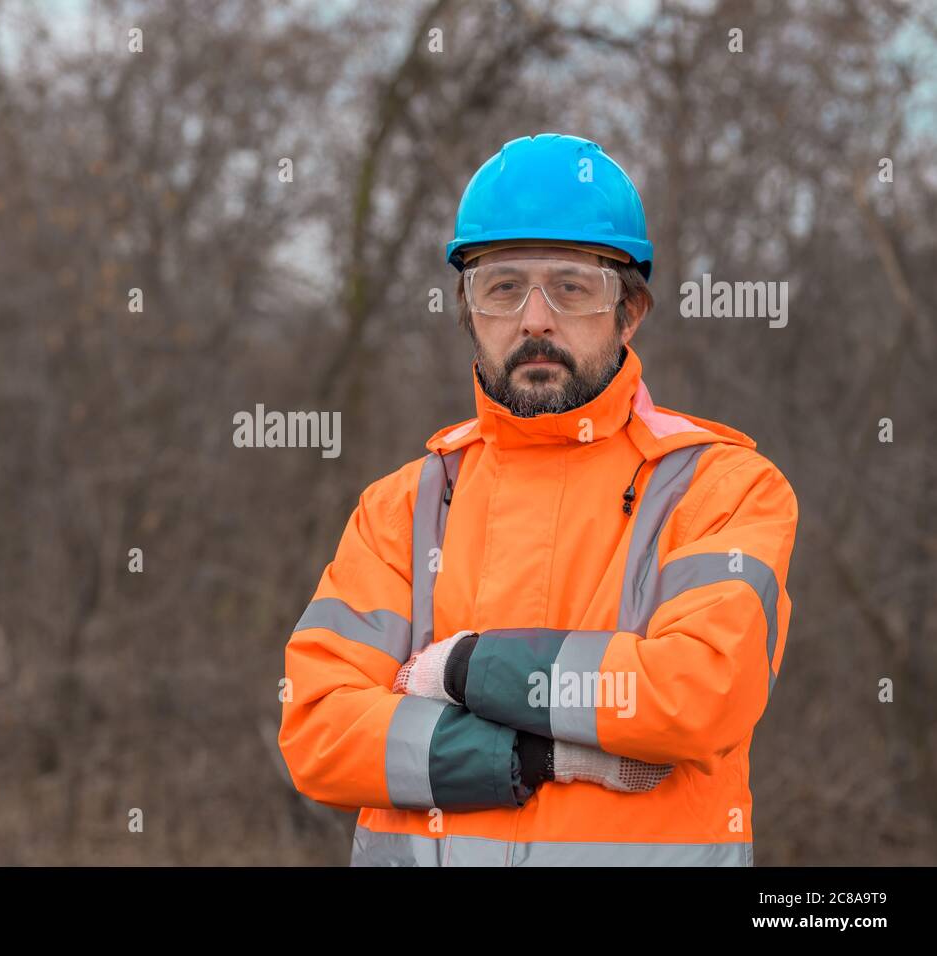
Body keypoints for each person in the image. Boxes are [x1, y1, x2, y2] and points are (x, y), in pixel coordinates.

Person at [278, 133, 798, 866]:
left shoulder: (720, 488)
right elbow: (319, 732)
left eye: (572, 287)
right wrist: (536, 759)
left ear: (631, 310)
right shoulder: (403, 507)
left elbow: (698, 692)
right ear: (468, 309)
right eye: (503, 287)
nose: (534, 319)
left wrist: (459, 670)